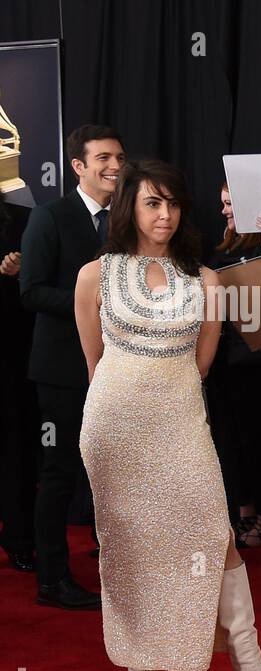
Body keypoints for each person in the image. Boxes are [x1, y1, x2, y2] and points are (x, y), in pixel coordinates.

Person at [73, 158, 261, 671]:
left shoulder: (207, 281)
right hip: (114, 427)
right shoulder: (94, 275)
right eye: (152, 203)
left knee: (218, 537)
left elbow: (202, 363)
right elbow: (94, 363)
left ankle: (249, 659)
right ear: (130, 208)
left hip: (181, 422)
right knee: (126, 546)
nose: (164, 215)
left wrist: (166, 395)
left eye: (172, 204)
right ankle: (139, 666)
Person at [20, 124, 126, 609]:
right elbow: (32, 290)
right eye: (102, 157)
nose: (114, 166)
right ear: (78, 166)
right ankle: (52, 578)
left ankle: (121, 569)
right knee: (60, 472)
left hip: (120, 367)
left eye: (119, 157)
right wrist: (96, 303)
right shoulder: (49, 216)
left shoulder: (127, 218)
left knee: (116, 474)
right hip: (62, 371)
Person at [207, 182, 261, 548]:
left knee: (259, 443)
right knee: (228, 442)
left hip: (260, 365)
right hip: (223, 362)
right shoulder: (218, 250)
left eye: (229, 204)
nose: (223, 210)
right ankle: (245, 515)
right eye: (222, 203)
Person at [0, 199, 39, 572]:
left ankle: (19, 538)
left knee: (19, 448)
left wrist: (22, 272)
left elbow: (42, 284)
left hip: (13, 354)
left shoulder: (25, 219)